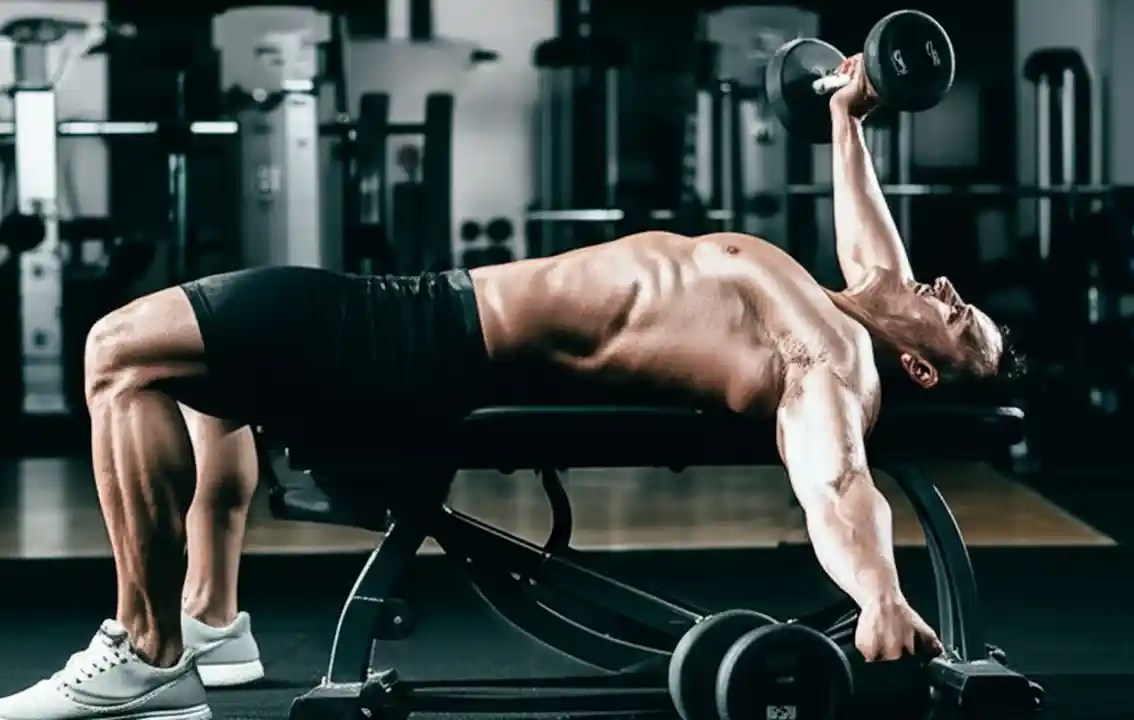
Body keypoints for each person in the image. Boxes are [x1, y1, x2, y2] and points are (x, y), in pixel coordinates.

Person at [0, 54, 1017, 720]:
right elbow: (878, 256)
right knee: (197, 376)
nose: (940, 286)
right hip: (427, 316)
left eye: (959, 316)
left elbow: (837, 480)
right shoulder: (855, 301)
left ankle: (147, 651)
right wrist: (848, 114)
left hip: (426, 340)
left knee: (117, 349)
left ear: (920, 365)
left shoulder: (830, 361)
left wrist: (878, 594)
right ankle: (213, 629)